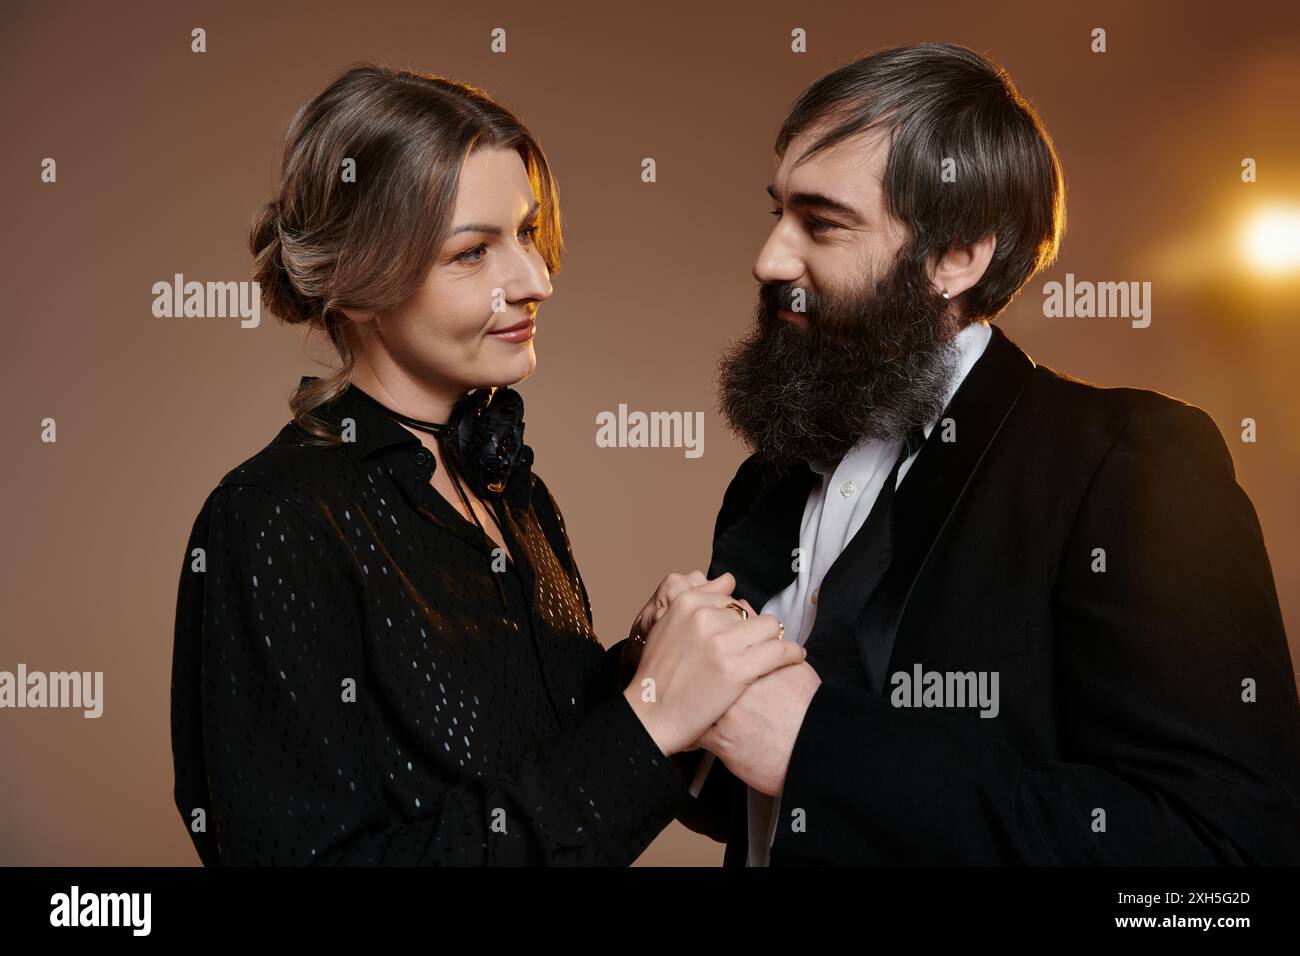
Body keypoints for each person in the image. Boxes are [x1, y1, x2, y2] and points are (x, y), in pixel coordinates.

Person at [677, 42, 1300, 865]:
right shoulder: (772, 478)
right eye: (777, 213)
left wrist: (824, 748)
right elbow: (770, 806)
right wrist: (678, 688)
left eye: (821, 222)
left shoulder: (1129, 462)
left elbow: (1225, 856)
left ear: (958, 255)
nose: (770, 260)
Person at [169, 63, 804, 866]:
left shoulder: (512, 488)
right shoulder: (274, 517)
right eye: (472, 253)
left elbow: (535, 778)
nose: (535, 279)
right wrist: (648, 714)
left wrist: (650, 671)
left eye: (529, 233)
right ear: (358, 286)